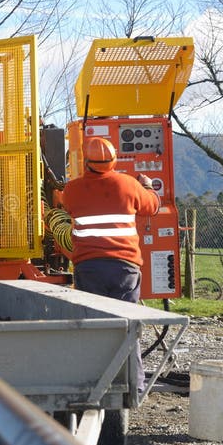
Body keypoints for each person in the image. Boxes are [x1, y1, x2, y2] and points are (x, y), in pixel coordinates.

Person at [56, 136, 160, 390]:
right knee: (128, 325)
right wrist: (147, 186)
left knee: (96, 325)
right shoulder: (129, 185)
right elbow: (154, 207)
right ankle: (134, 384)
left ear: (86, 163)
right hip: (124, 268)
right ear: (114, 160)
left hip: (89, 268)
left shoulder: (73, 189)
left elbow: (64, 204)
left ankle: (97, 383)